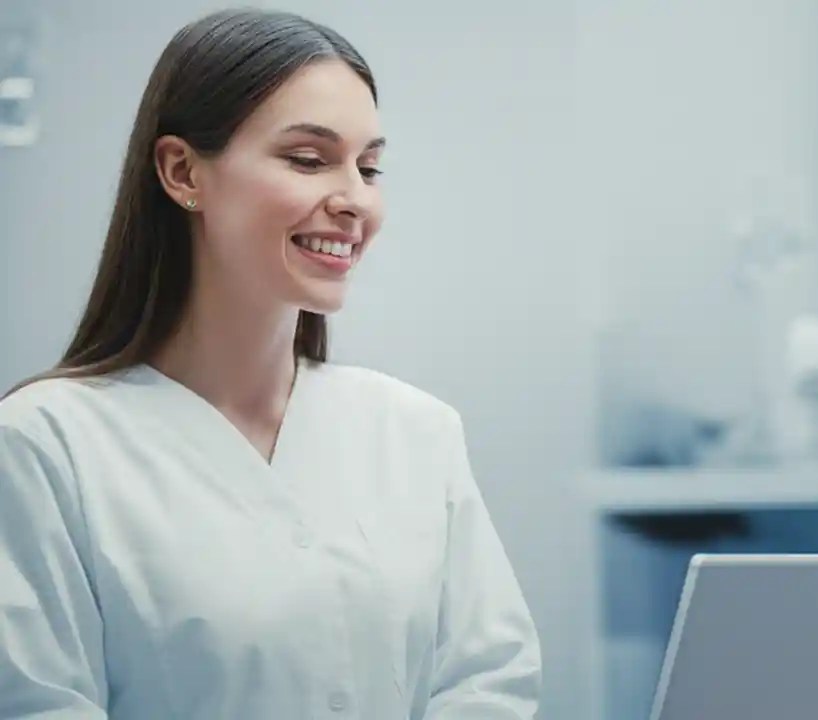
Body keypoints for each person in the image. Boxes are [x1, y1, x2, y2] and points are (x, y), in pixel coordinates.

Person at [0, 8, 540, 719]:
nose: (355, 200)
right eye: (309, 160)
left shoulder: (416, 433)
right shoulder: (46, 445)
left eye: (368, 166)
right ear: (182, 171)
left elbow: (489, 683)